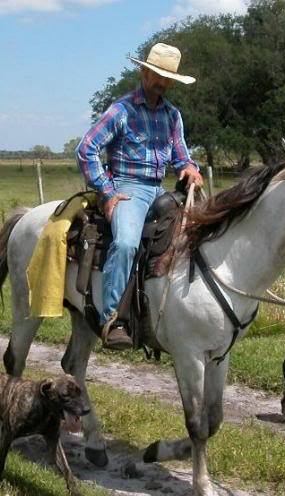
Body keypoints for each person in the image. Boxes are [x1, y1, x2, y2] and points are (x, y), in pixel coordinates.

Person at [77, 42, 203, 349]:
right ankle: (112, 319)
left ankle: (177, 313)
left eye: (167, 78)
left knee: (197, 237)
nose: (161, 83)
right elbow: (87, 148)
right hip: (127, 187)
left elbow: (181, 155)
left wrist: (189, 168)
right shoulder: (121, 111)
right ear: (144, 72)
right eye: (156, 75)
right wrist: (107, 192)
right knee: (126, 243)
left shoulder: (173, 115)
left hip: (161, 189)